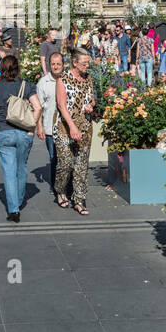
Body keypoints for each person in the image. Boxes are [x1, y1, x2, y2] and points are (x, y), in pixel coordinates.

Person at [0, 54, 42, 222]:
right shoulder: (27, 86)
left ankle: (14, 209)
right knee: (21, 169)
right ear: (18, 69)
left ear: (1, 69)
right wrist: (32, 127)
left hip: (4, 132)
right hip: (24, 133)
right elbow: (38, 107)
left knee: (9, 172)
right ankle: (18, 200)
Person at [53, 48, 97, 215]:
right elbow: (61, 105)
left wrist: (90, 106)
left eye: (88, 63)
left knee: (81, 164)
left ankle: (79, 199)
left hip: (85, 126)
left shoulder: (88, 78)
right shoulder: (63, 79)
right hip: (65, 127)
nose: (87, 66)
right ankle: (61, 190)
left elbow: (92, 99)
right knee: (64, 163)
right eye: (84, 63)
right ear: (75, 63)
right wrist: (72, 126)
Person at [36, 50, 63, 188]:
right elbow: (38, 107)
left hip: (66, 127)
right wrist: (39, 127)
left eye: (58, 64)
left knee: (65, 159)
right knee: (54, 158)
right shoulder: (43, 83)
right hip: (49, 128)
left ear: (63, 65)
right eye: (53, 64)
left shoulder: (67, 80)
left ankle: (65, 185)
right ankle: (56, 186)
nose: (56, 67)